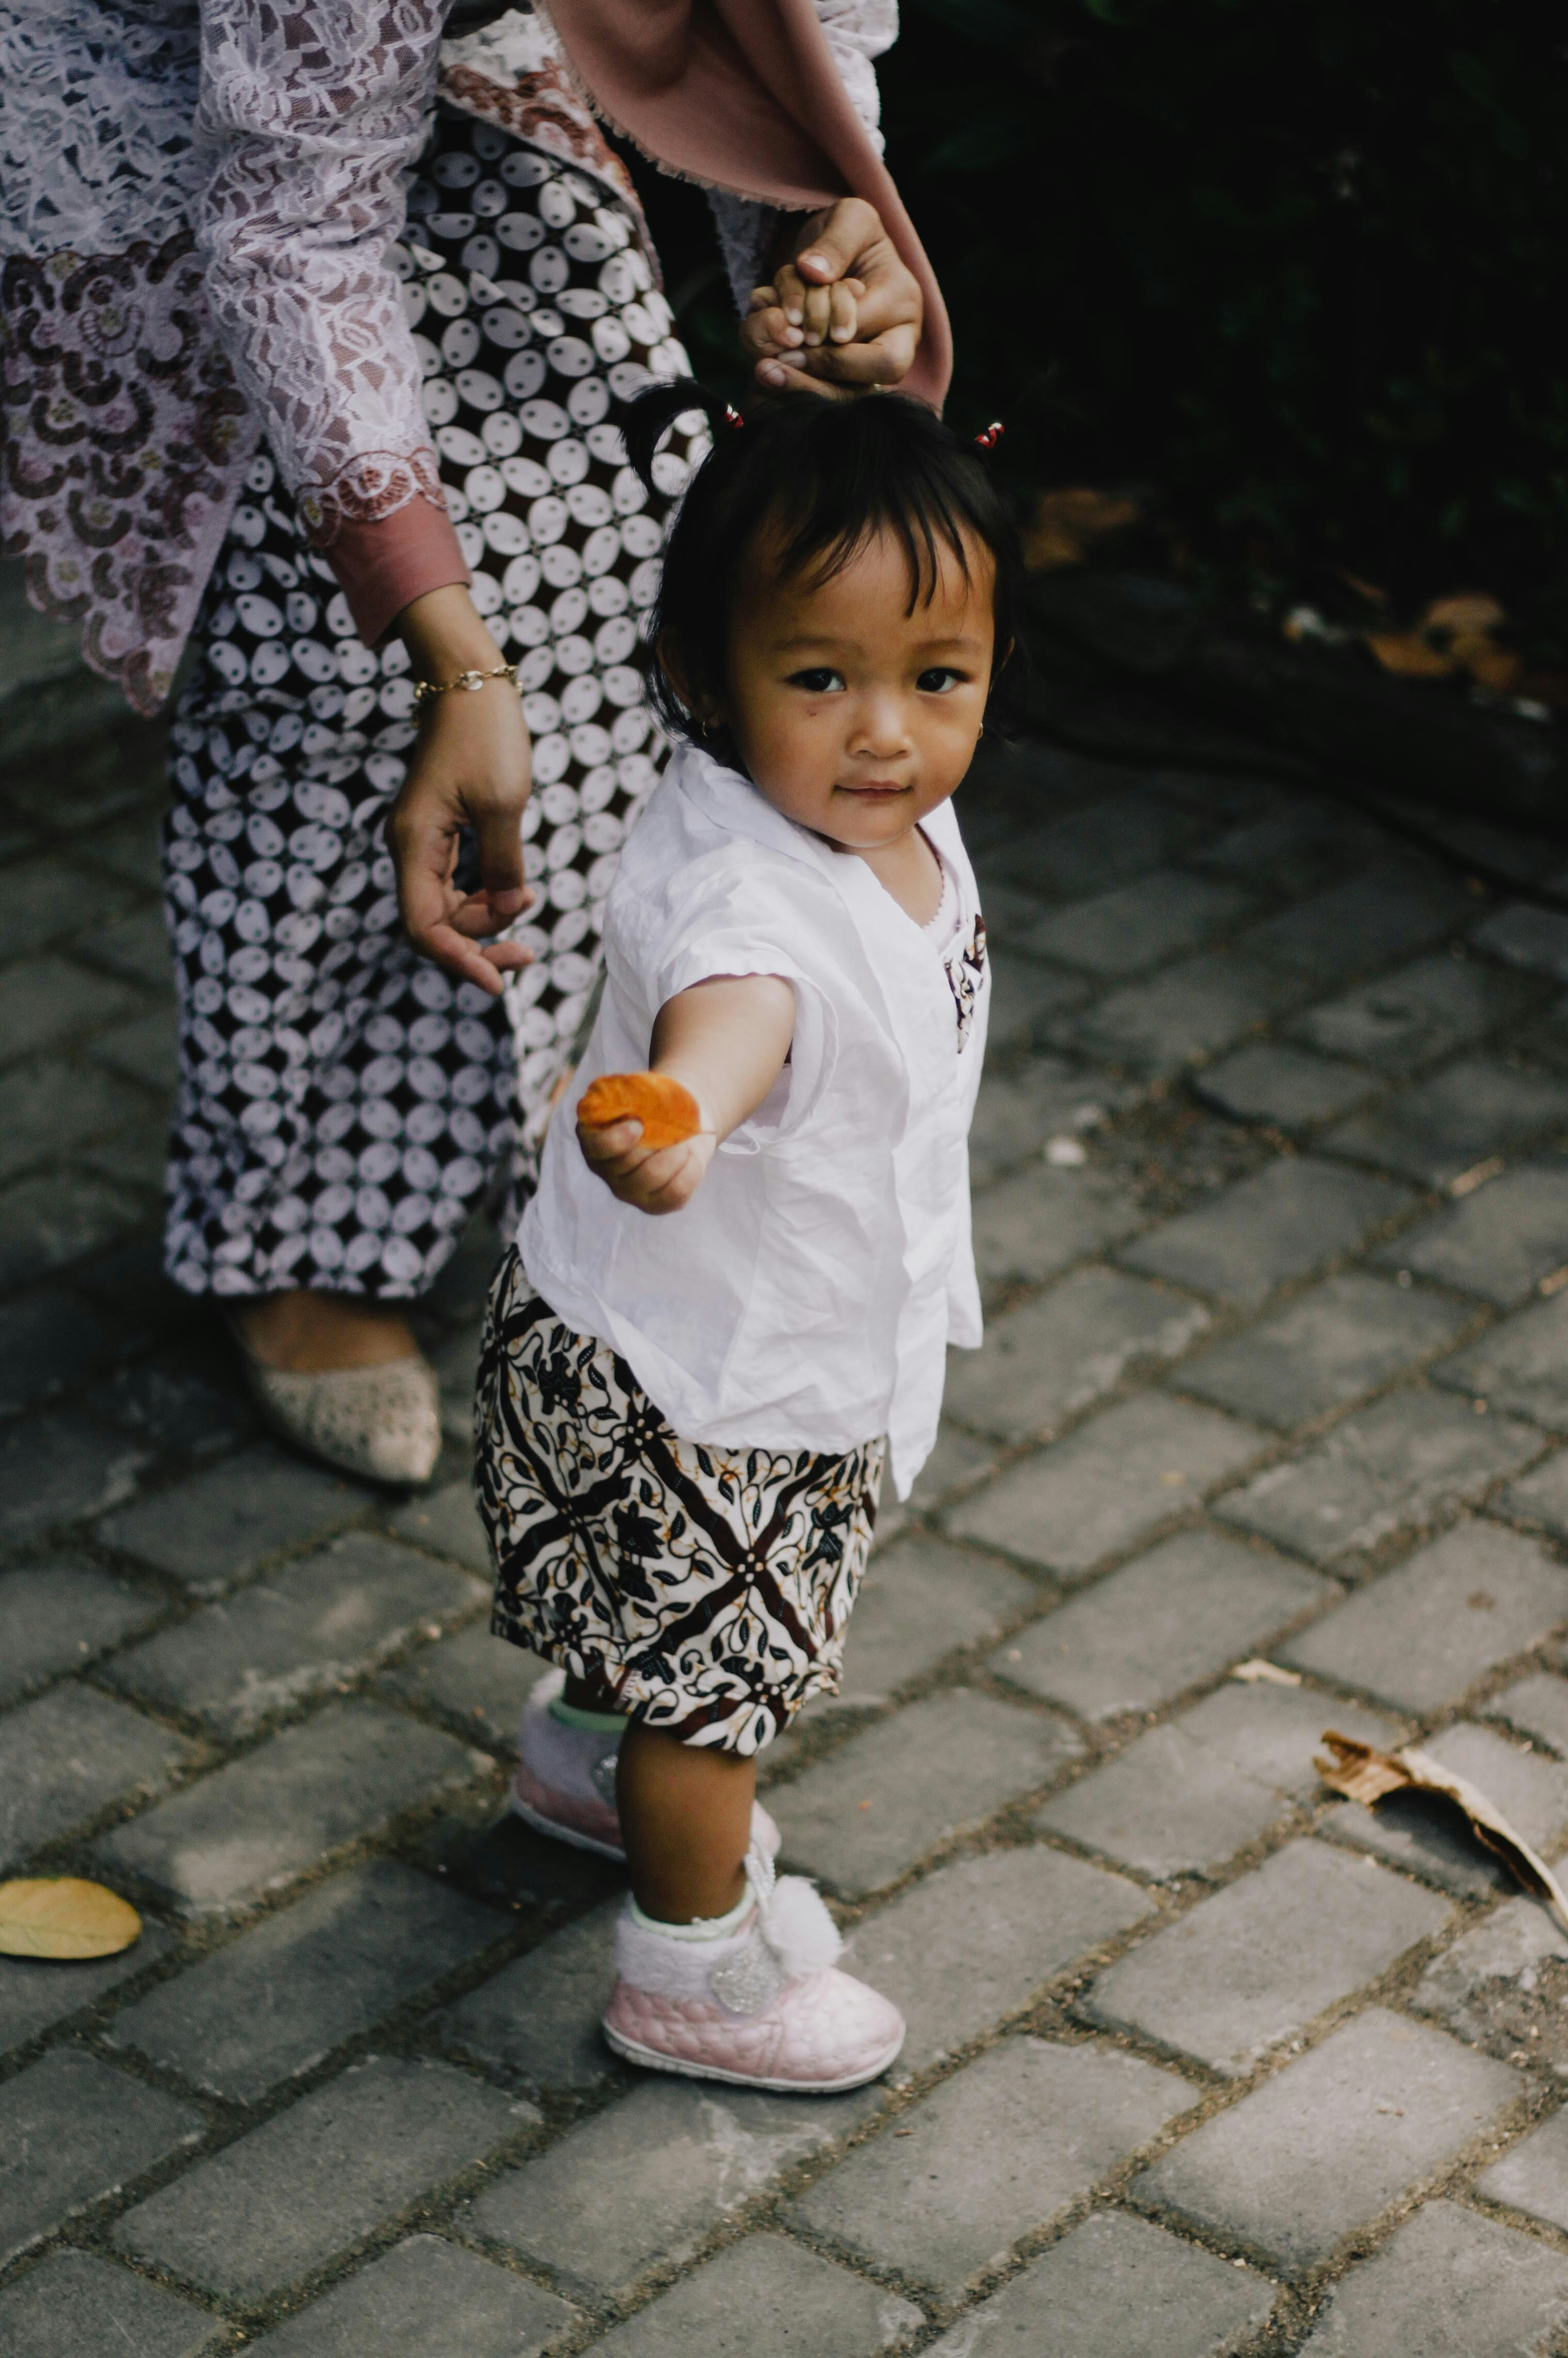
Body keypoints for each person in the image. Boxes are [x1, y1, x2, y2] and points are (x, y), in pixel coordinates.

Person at [0, 1, 950, 1483]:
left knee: (611, 552)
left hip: (479, 70)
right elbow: (295, 226)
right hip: (226, 115)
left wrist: (826, 235)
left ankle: (513, 1129)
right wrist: (453, 665)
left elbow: (794, 29)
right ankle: (292, 1244)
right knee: (325, 666)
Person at [475, 380, 1017, 2091]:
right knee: (715, 1701)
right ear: (710, 678)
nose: (884, 733)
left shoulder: (870, 819)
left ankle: (575, 1751)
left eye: (937, 678)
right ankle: (690, 1973)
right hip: (725, 1390)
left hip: (642, 1328)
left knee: (633, 1617)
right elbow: (732, 1021)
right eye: (819, 679)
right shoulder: (749, 897)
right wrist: (683, 1114)